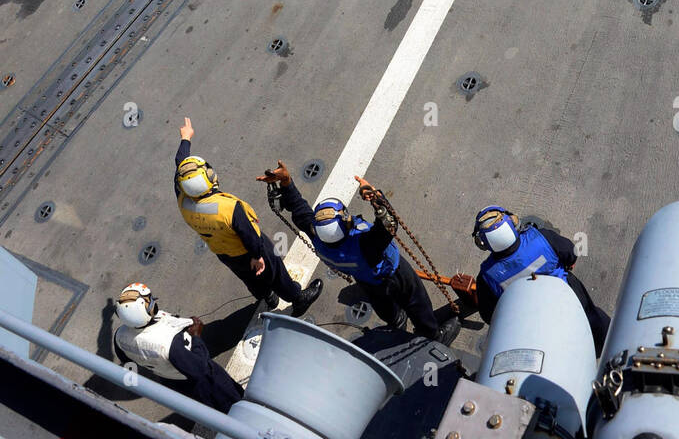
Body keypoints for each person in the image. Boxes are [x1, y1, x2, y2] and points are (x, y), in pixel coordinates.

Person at [257, 162, 458, 344]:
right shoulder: (365, 244)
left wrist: (286, 182)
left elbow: (299, 208)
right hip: (395, 275)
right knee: (417, 302)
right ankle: (432, 336)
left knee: (382, 304)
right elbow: (388, 225)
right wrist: (376, 198)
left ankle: (396, 320)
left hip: (368, 281)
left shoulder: (318, 237)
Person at [174, 118, 322, 316]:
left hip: (223, 252)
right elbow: (250, 236)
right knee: (274, 270)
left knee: (248, 277)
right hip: (248, 250)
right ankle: (297, 298)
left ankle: (267, 297)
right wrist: (257, 256)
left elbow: (181, 167)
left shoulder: (182, 196)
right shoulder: (229, 208)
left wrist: (186, 138)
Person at [472, 206, 610, 354]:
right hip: (568, 294)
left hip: (534, 320)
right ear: (512, 223)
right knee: (592, 319)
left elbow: (490, 315)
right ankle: (605, 344)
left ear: (482, 243)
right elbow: (571, 253)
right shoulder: (542, 237)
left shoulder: (487, 277)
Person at [113, 282, 242, 413]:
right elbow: (200, 369)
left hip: (170, 379)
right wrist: (196, 336)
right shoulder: (168, 343)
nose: (153, 304)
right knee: (232, 401)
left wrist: (133, 380)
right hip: (197, 379)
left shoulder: (120, 336)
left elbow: (126, 360)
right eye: (150, 303)